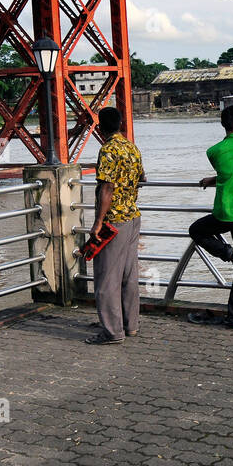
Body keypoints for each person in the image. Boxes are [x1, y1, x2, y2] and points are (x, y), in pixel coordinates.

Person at [187, 105, 233, 329]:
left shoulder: (214, 151)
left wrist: (213, 179)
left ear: (223, 125)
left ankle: (228, 252)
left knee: (197, 230)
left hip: (225, 214)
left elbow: (225, 170)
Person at [85, 107, 145, 345]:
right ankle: (131, 325)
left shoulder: (108, 150)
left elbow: (107, 188)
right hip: (133, 217)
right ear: (120, 124)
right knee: (129, 275)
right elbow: (143, 178)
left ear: (100, 127)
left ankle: (112, 332)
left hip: (114, 222)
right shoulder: (131, 147)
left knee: (106, 279)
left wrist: (98, 222)